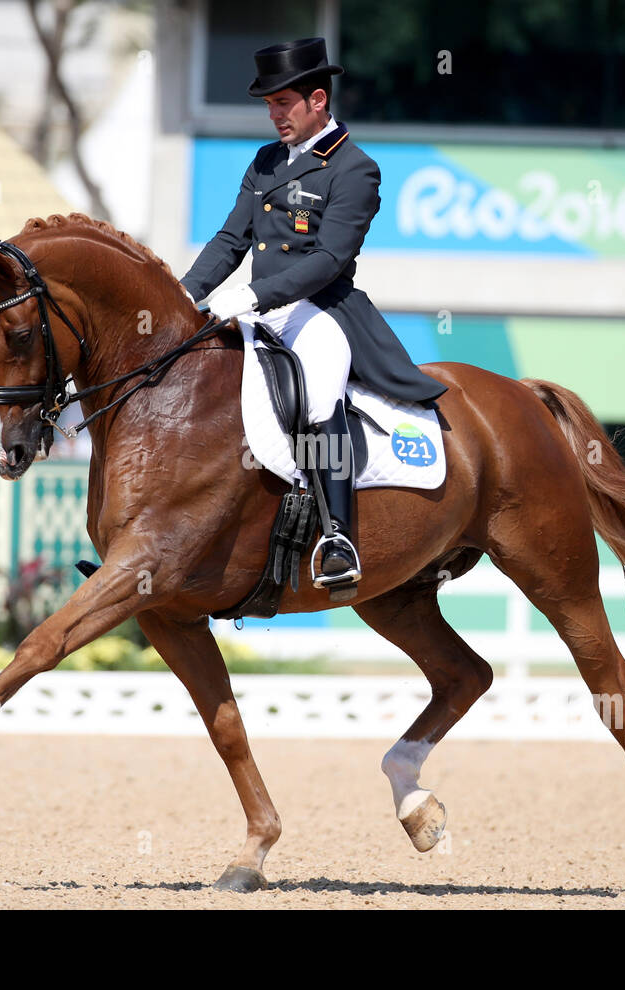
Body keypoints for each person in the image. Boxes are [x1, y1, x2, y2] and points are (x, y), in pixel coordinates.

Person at [180, 36, 446, 593]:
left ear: (318, 100)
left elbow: (329, 259)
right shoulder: (265, 161)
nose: (274, 116)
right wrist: (184, 297)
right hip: (260, 310)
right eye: (269, 105)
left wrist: (253, 296)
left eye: (283, 104)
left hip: (321, 311)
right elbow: (232, 239)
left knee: (319, 389)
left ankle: (337, 535)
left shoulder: (354, 168)